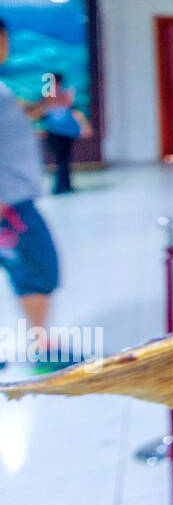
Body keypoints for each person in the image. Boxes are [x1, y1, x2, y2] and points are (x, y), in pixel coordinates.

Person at [0, 19, 68, 371]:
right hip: (9, 205)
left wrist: (42, 107)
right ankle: (44, 349)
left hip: (10, 200)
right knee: (39, 269)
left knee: (23, 270)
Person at [39, 73, 90, 195]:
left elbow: (42, 114)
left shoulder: (47, 96)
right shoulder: (64, 94)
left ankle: (61, 186)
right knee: (64, 160)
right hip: (63, 131)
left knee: (62, 160)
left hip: (57, 132)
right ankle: (63, 186)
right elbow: (72, 110)